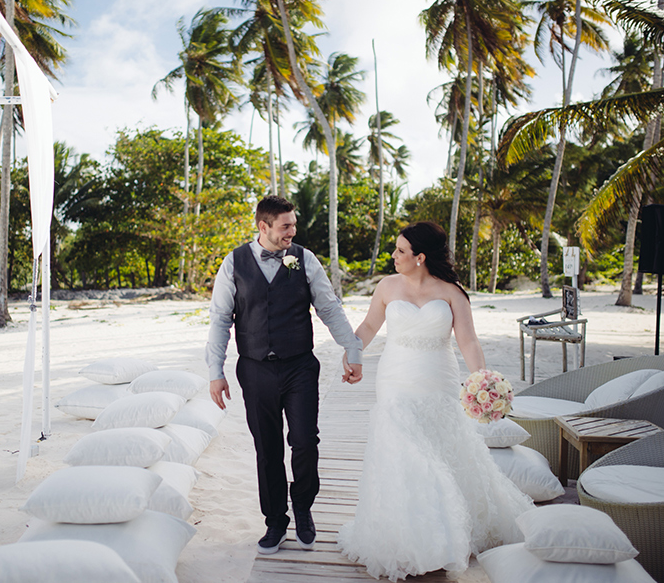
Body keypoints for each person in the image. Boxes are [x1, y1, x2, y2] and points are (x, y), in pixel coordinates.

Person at [337, 221, 532, 580]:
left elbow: (468, 342)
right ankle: (414, 537)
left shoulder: (451, 292)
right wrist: (352, 354)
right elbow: (367, 327)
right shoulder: (387, 286)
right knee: (406, 453)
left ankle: (448, 534)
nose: (393, 256)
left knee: (441, 451)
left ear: (420, 257)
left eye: (400, 251)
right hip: (395, 380)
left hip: (437, 380)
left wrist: (481, 381)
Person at [207, 195, 364, 555]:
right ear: (263, 227)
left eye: (293, 225)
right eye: (285, 226)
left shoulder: (305, 259)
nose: (292, 232)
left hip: (299, 367)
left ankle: (303, 508)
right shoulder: (233, 263)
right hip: (255, 368)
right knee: (268, 448)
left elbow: (328, 307)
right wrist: (215, 371)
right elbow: (220, 320)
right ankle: (276, 520)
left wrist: (351, 348)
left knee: (306, 441)